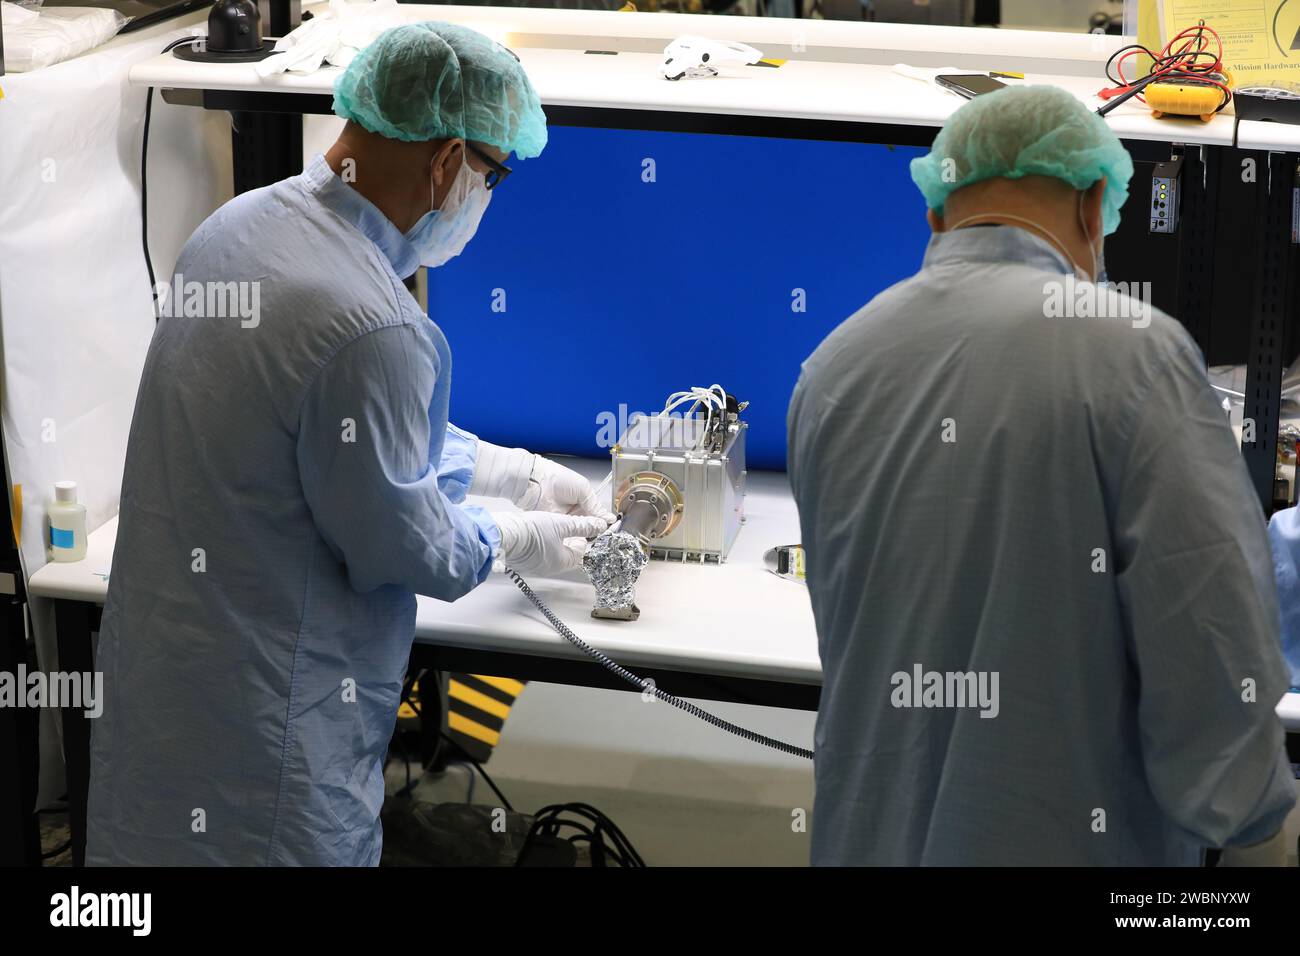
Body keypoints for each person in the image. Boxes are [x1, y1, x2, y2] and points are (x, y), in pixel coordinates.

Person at [86, 22, 611, 866]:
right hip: (270, 737)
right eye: (491, 176)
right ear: (447, 162)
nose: (483, 197)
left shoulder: (236, 230)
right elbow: (412, 547)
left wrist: (511, 474)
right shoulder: (374, 323)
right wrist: (525, 536)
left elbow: (327, 422)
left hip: (167, 691)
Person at [787, 85, 1295, 866]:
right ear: (1095, 205)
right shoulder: (1135, 354)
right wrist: (1248, 808)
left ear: (936, 213)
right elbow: (1209, 637)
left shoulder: (834, 366)